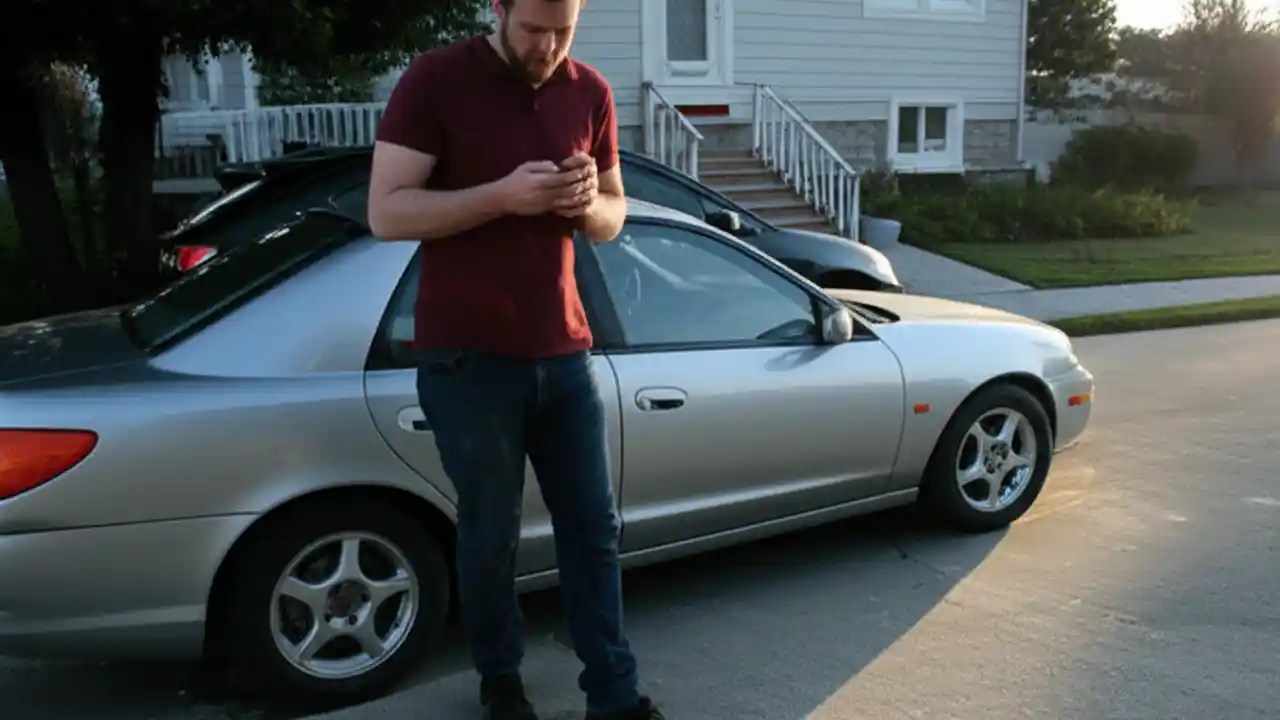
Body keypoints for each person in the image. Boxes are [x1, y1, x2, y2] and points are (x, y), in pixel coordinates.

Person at [367, 1, 662, 719]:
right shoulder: (436, 80)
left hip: (564, 353)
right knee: (491, 532)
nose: (550, 46)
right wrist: (503, 197)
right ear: (498, 9)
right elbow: (387, 212)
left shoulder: (588, 90)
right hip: (467, 360)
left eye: (565, 30)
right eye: (535, 29)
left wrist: (587, 202)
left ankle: (615, 696)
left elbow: (614, 216)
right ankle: (500, 680)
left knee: (594, 529)